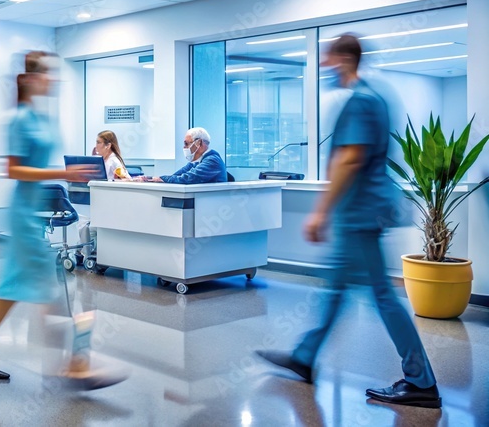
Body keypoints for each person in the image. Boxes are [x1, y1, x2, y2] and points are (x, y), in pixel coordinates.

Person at [256, 34, 440, 408]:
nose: (324, 66)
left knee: (382, 295)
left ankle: (421, 380)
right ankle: (305, 357)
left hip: (360, 214)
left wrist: (321, 211)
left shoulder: (361, 102)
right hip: (360, 211)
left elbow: (350, 159)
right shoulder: (374, 97)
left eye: (328, 59)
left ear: (344, 59)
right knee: (337, 290)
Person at [0, 52, 125, 390]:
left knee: (13, 286)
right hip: (23, 212)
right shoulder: (19, 119)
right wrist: (62, 173)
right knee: (48, 289)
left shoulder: (41, 117)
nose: (52, 80)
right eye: (46, 74)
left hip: (33, 206)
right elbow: (14, 170)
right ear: (30, 79)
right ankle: (72, 364)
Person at [149, 127, 226, 184]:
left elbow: (188, 178)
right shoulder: (197, 162)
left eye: (186, 144)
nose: (184, 147)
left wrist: (162, 179)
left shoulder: (212, 160)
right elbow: (176, 175)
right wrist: (151, 178)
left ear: (199, 143)